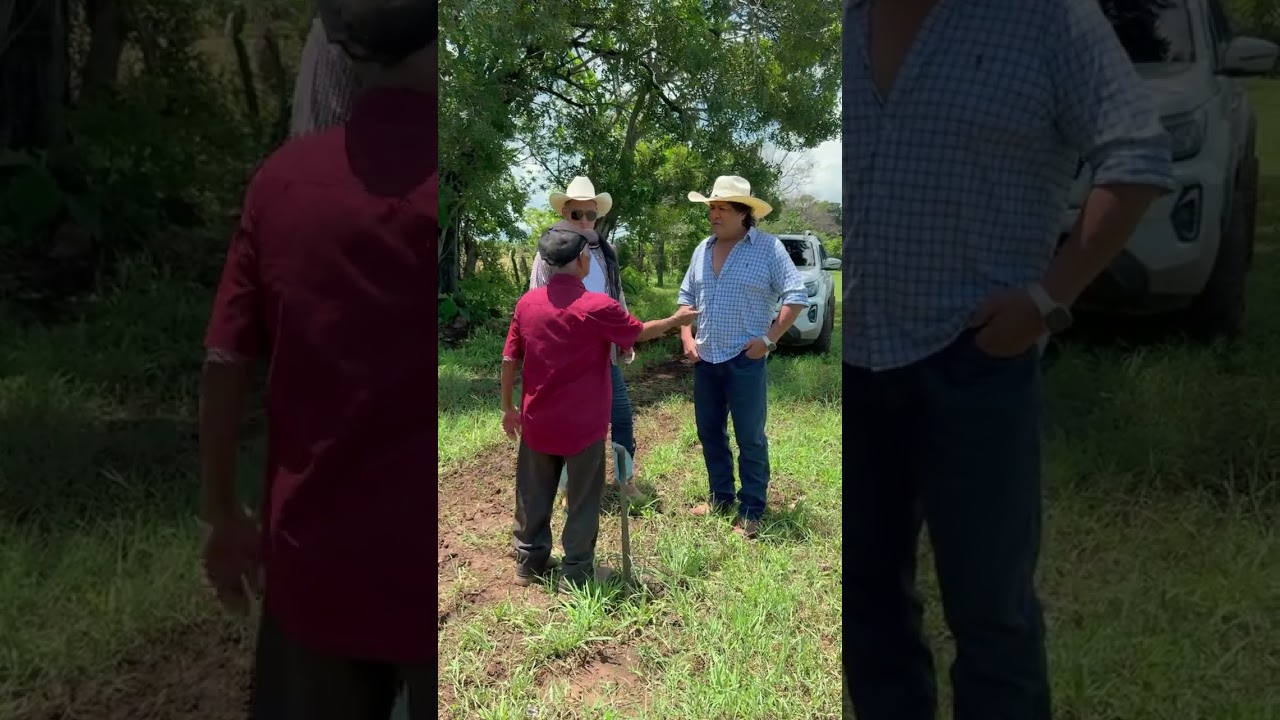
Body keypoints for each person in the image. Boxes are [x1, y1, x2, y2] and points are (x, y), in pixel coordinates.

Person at [841, 1, 1175, 719]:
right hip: (857, 370)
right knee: (865, 606)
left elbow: (1137, 157)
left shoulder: (1046, 16)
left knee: (991, 615)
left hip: (972, 365)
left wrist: (1048, 298)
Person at [198, 1, 437, 718]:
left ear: (342, 51)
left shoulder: (283, 181)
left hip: (317, 565)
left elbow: (225, 359)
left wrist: (223, 511)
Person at [502, 221, 699, 589]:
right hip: (583, 424)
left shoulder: (527, 304)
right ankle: (576, 573)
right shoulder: (597, 306)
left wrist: (508, 408)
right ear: (582, 259)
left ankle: (529, 563)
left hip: (537, 419)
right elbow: (638, 332)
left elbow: (509, 358)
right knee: (582, 499)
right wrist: (676, 321)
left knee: (533, 493)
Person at [676, 175, 808, 539]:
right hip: (706, 358)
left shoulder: (767, 248)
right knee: (709, 432)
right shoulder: (702, 248)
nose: (714, 214)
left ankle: (751, 509)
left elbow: (796, 296)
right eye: (712, 207)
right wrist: (686, 336)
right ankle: (720, 498)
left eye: (722, 208)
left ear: (743, 213)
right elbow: (686, 298)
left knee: (750, 437)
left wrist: (768, 339)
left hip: (744, 359)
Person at [529, 176, 642, 498]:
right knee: (570, 421)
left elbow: (616, 295)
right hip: (565, 352)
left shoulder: (605, 253)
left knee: (621, 415)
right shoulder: (548, 254)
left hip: (603, 351)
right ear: (564, 213)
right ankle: (569, 487)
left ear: (597, 216)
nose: (583, 220)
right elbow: (537, 299)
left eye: (589, 214)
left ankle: (624, 479)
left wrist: (624, 337)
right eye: (575, 214)